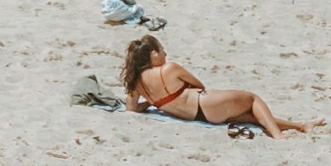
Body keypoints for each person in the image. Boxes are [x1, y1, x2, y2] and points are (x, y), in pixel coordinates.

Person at [113, 37, 313, 131]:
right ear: (153, 55)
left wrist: (150, 102)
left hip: (199, 117)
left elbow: (132, 109)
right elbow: (199, 84)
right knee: (252, 99)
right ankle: (278, 136)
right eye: (162, 50)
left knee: (252, 118)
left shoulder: (136, 84)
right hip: (203, 104)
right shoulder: (169, 68)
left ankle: (301, 126)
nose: (165, 54)